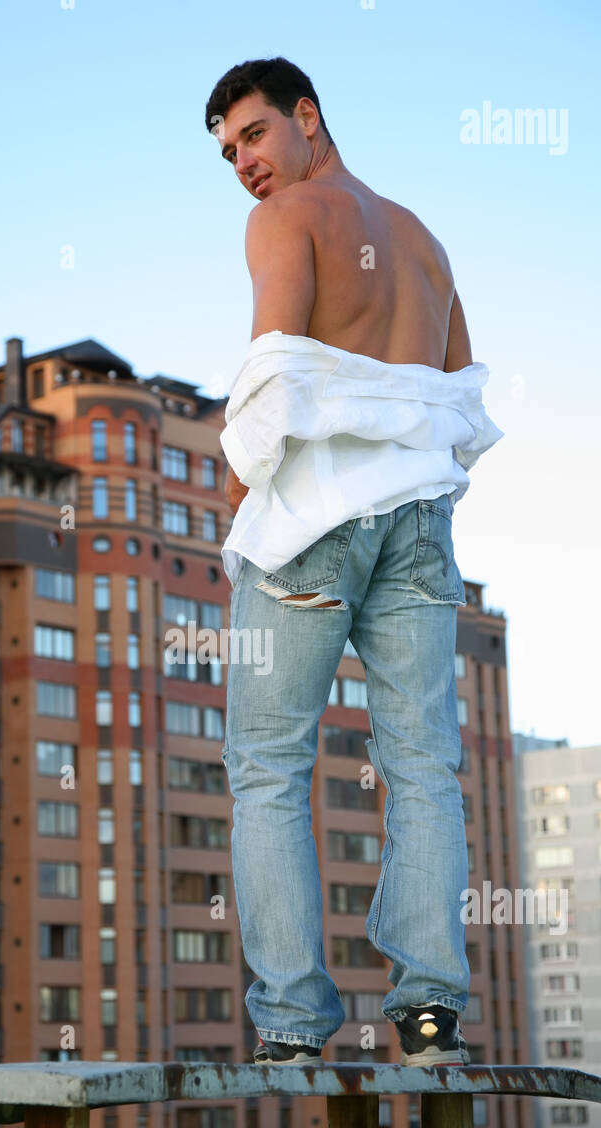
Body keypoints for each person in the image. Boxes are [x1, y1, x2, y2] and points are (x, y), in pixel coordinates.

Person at [204, 57, 503, 1067]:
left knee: (266, 765)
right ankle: (426, 1012)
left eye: (251, 135)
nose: (243, 163)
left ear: (305, 116)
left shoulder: (284, 219)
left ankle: (291, 1021)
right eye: (228, 153)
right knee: (423, 764)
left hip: (313, 518)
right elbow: (460, 392)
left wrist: (238, 490)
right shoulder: (421, 240)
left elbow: (273, 368)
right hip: (418, 524)